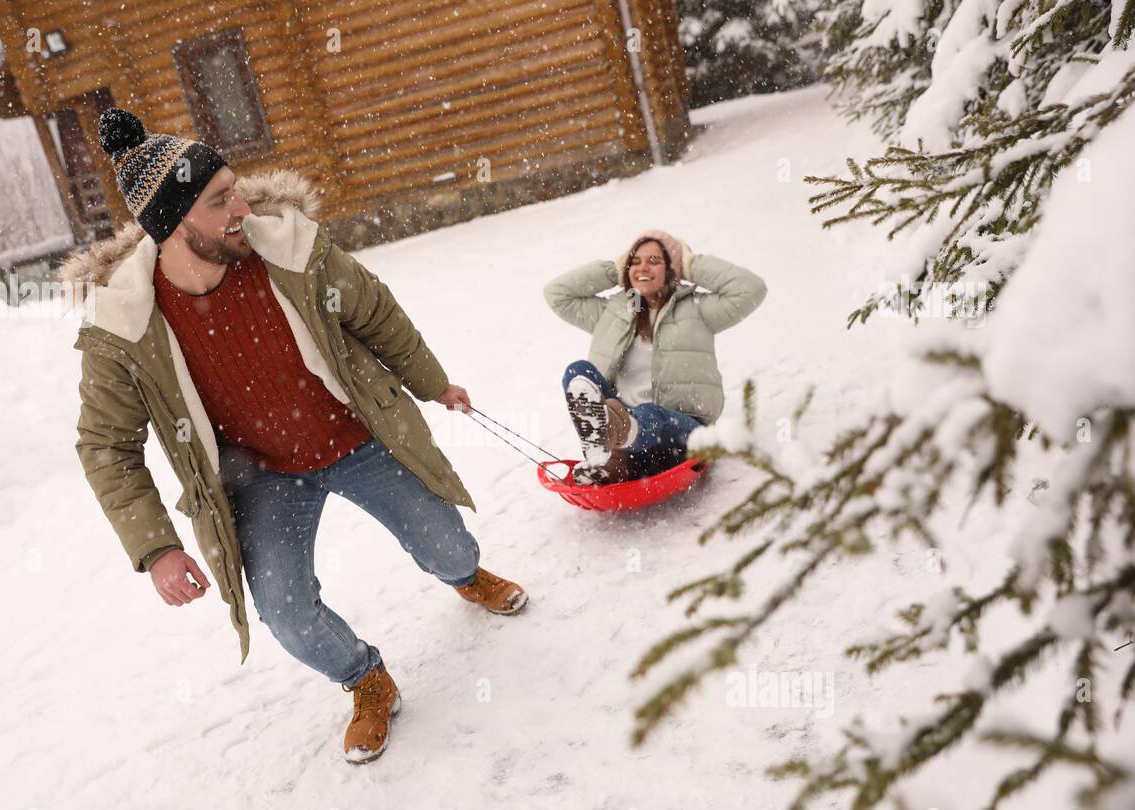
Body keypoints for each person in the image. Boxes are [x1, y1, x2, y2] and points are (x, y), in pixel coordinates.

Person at [69, 108, 526, 765]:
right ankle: (366, 679)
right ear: (173, 224)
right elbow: (105, 445)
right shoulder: (122, 325)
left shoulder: (291, 252)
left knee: (445, 542)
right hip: (260, 477)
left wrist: (433, 383)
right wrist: (156, 548)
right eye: (220, 198)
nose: (242, 205)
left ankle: (464, 576)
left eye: (236, 188)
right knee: (285, 611)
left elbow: (375, 312)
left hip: (355, 435)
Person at [542, 230, 767, 484]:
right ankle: (610, 458)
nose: (642, 267)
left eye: (654, 261)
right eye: (634, 261)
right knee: (578, 372)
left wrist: (689, 265)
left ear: (672, 269)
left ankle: (617, 444)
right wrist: (615, 270)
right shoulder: (614, 311)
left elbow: (751, 289)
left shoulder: (698, 310)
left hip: (682, 432)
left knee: (650, 414)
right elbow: (557, 294)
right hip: (624, 437)